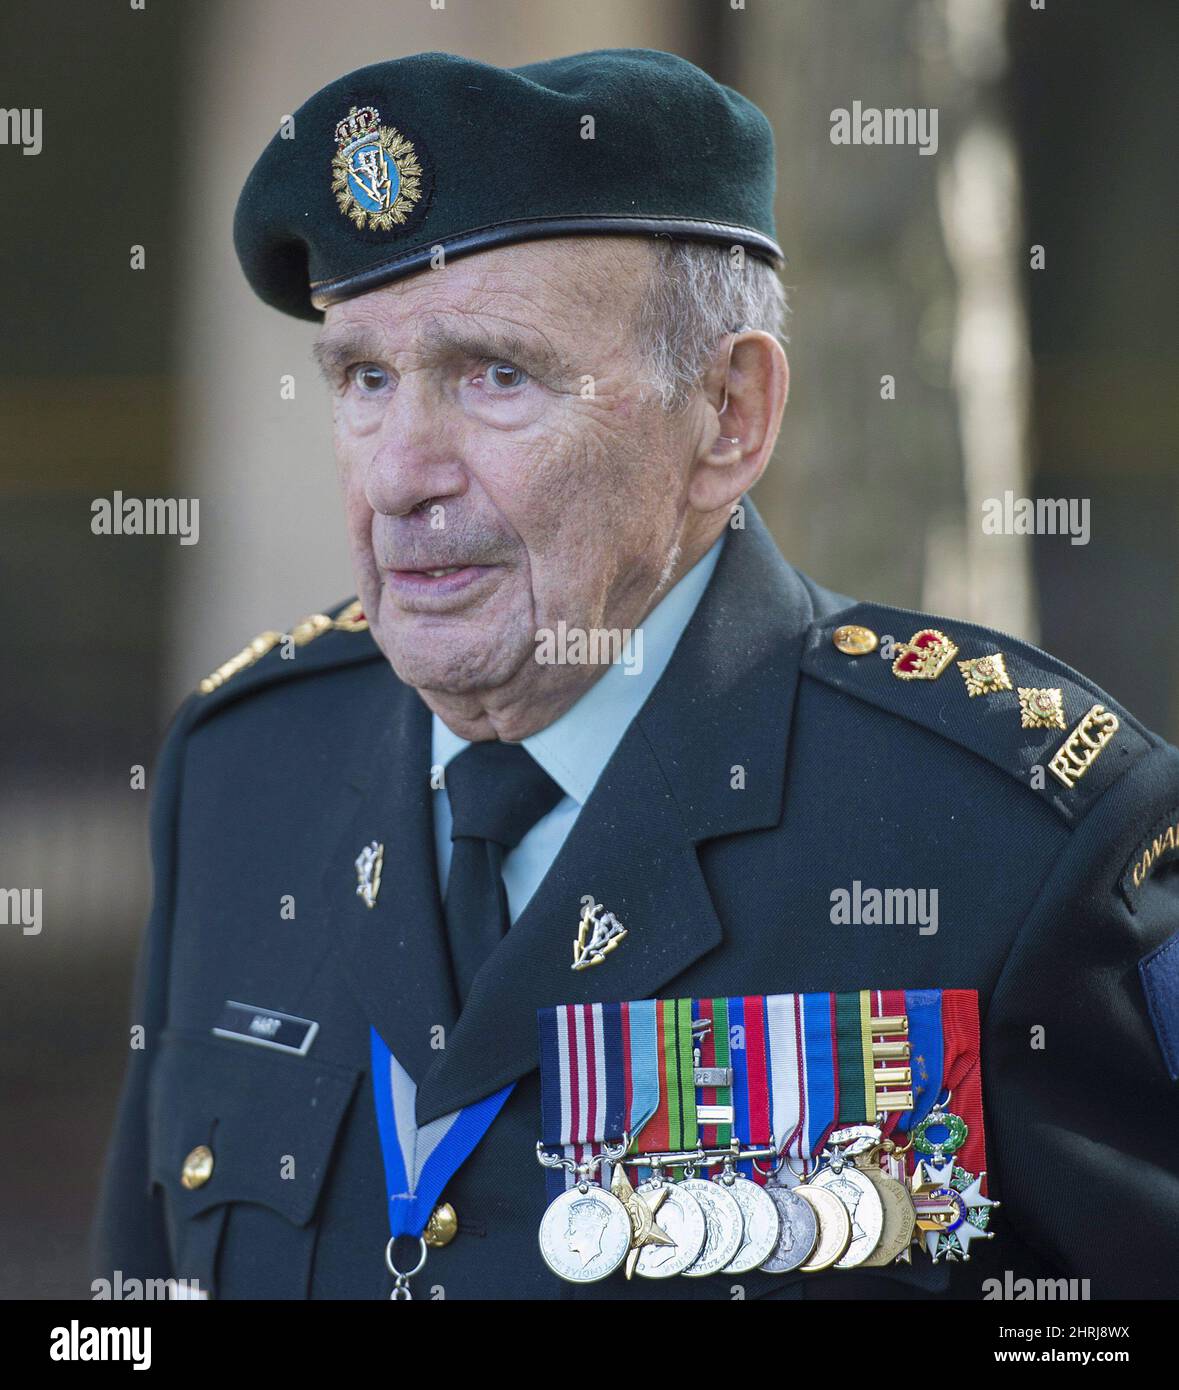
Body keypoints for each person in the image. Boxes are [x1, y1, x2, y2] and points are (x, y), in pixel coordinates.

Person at [94, 48, 1179, 1301]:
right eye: (366, 379)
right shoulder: (244, 767)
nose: (401, 474)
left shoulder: (1008, 837)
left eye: (497, 375)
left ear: (729, 415)